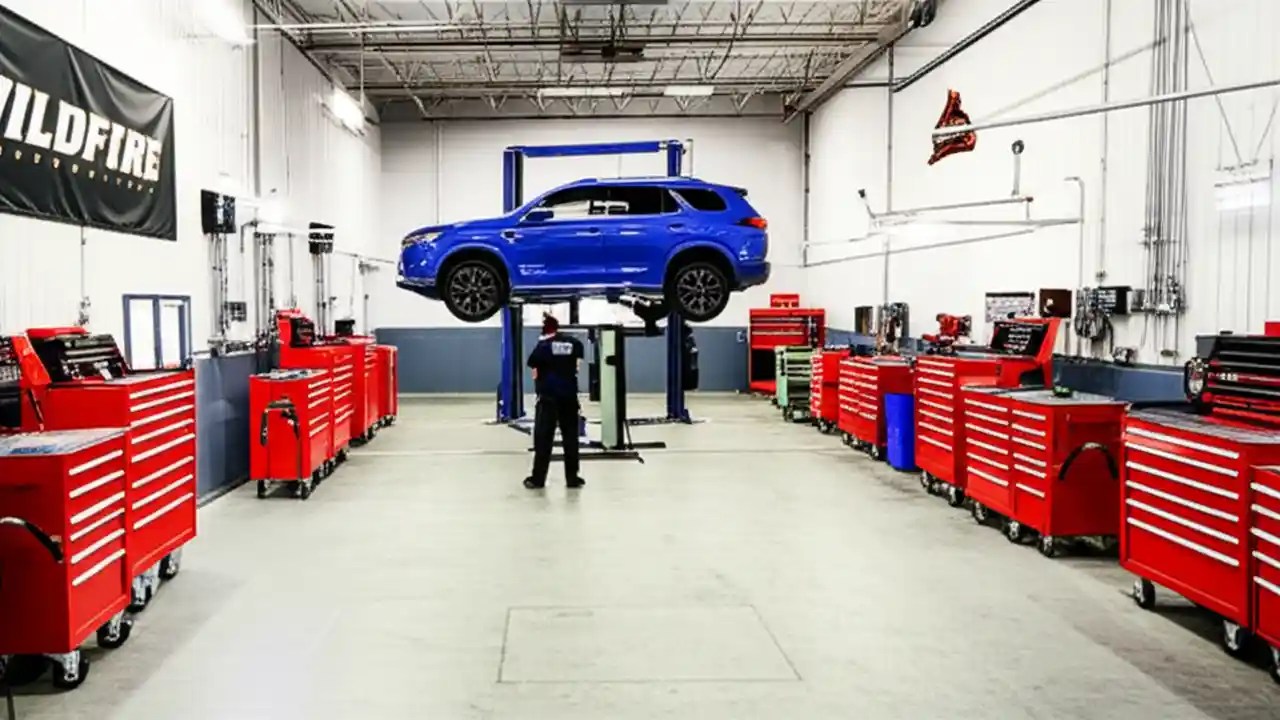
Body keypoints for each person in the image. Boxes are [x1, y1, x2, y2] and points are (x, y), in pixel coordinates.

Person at [524, 313, 586, 489]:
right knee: (571, 438)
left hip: (548, 398)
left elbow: (533, 367)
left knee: (544, 439)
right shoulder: (574, 343)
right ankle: (572, 478)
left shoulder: (543, 346)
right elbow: (576, 367)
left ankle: (538, 479)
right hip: (568, 397)